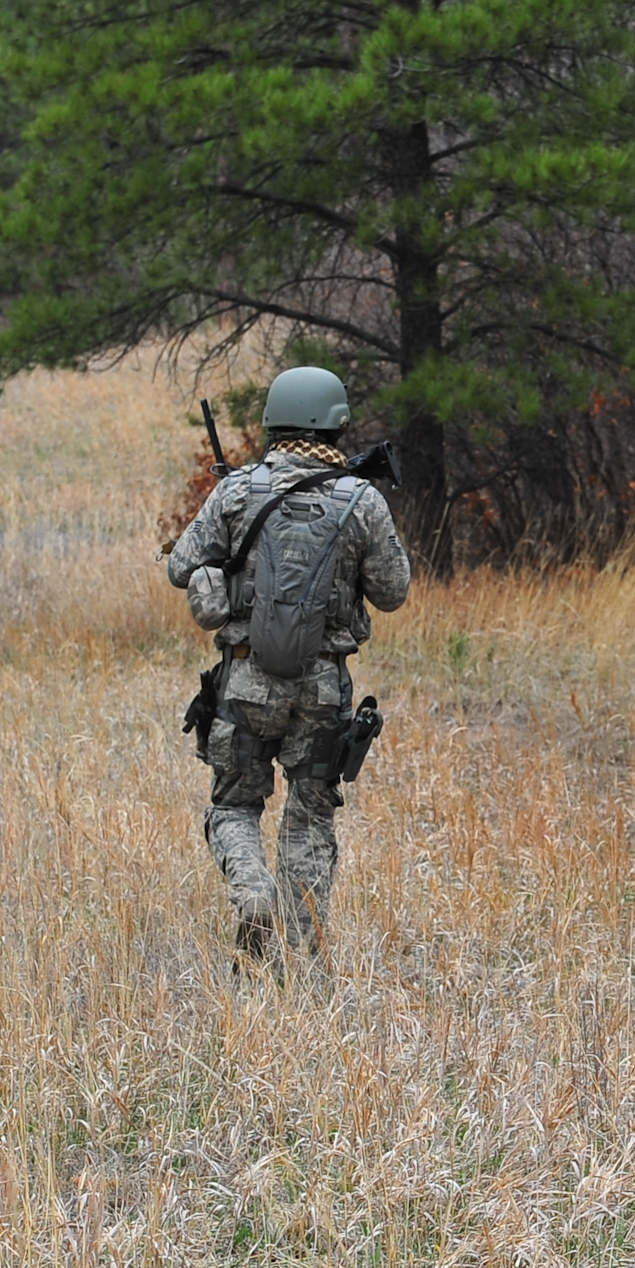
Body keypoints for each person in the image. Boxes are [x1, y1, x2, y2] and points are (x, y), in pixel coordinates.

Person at [167, 366, 411, 963]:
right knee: (310, 818)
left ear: (272, 420)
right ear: (336, 422)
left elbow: (180, 567)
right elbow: (392, 591)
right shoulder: (363, 500)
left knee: (233, 806)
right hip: (324, 685)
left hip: (247, 678)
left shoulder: (236, 490)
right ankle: (302, 962)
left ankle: (252, 891)